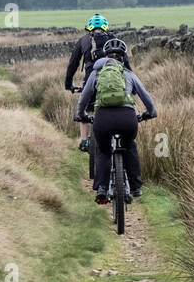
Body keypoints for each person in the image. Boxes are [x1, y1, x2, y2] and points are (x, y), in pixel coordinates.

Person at [73, 38, 157, 205]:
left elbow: (84, 99)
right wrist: (150, 113)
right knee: (130, 146)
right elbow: (147, 99)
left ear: (105, 55)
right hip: (127, 118)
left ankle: (102, 189)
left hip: (103, 119)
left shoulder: (97, 73)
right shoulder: (129, 74)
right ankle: (135, 186)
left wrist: (80, 115)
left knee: (104, 151)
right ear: (124, 57)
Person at [64, 14, 113, 152]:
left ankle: (84, 141)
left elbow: (73, 64)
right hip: (112, 80)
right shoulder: (113, 39)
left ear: (89, 28)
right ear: (105, 27)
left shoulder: (83, 40)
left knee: (85, 109)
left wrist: (68, 84)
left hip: (91, 80)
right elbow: (125, 62)